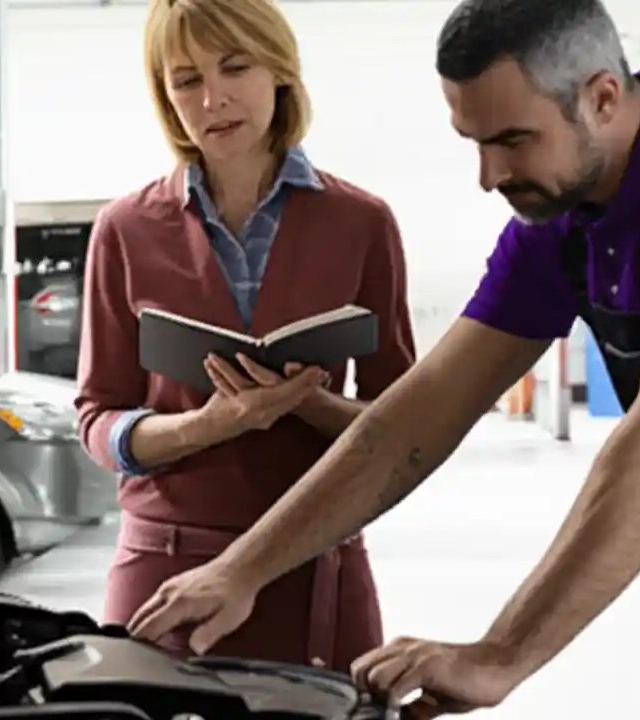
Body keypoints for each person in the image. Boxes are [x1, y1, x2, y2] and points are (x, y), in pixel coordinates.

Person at [125, 0, 640, 717]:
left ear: (601, 97)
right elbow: (418, 415)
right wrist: (239, 572)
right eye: (473, 142)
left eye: (512, 140)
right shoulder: (559, 216)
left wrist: (501, 655)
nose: (489, 175)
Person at [74, 0, 418, 672]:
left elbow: (404, 425)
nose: (213, 98)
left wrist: (303, 403)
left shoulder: (362, 222)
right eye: (186, 81)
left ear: (280, 70)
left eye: (235, 67)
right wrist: (212, 423)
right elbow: (97, 420)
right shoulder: (124, 229)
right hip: (163, 564)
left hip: (316, 559)